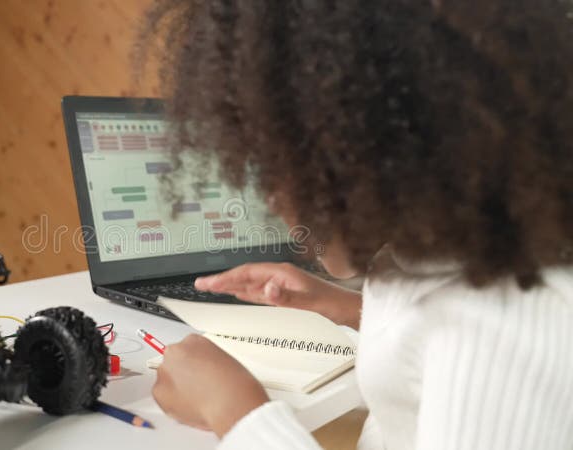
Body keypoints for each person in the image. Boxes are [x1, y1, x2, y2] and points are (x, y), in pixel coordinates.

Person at [141, 0, 573, 448]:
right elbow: (426, 352)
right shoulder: (443, 249)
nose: (270, 195)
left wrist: (234, 410)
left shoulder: (505, 329)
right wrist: (347, 308)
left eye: (275, 162)